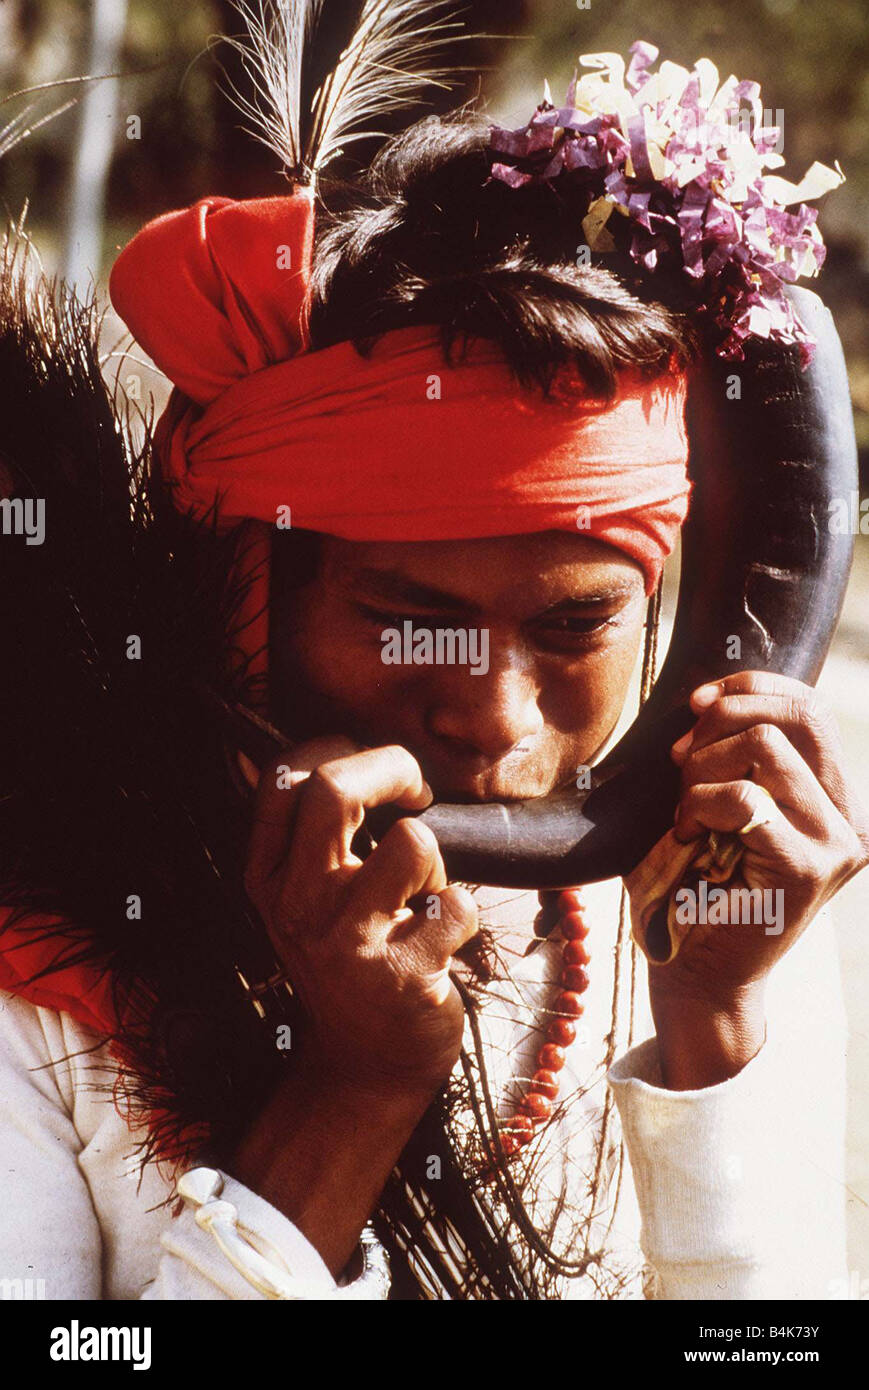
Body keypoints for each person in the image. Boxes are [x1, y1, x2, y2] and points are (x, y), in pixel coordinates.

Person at [0, 26, 865, 1301]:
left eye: (575, 629)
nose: (494, 716)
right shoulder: (48, 993)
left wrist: (709, 1038)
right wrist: (345, 1097)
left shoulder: (696, 945)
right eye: (410, 619)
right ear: (249, 601)